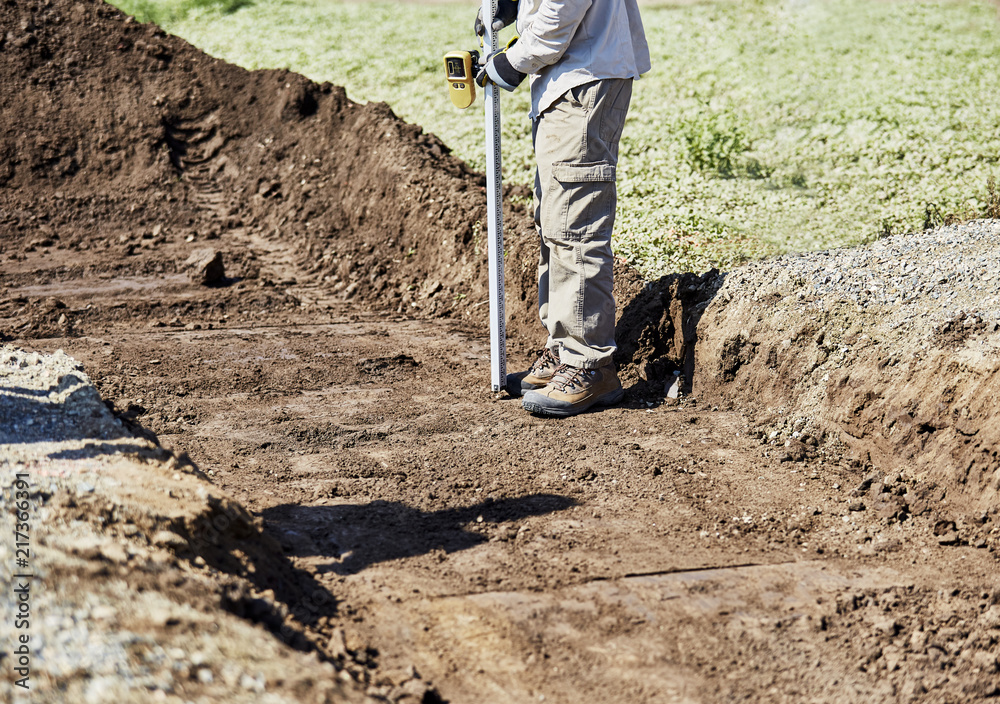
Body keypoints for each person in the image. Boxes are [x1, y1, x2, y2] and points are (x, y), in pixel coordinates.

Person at [476, 0, 650, 417]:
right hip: (568, 77)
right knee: (554, 221)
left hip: (583, 76)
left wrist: (513, 60)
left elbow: (560, 11)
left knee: (574, 225)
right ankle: (564, 349)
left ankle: (590, 364)